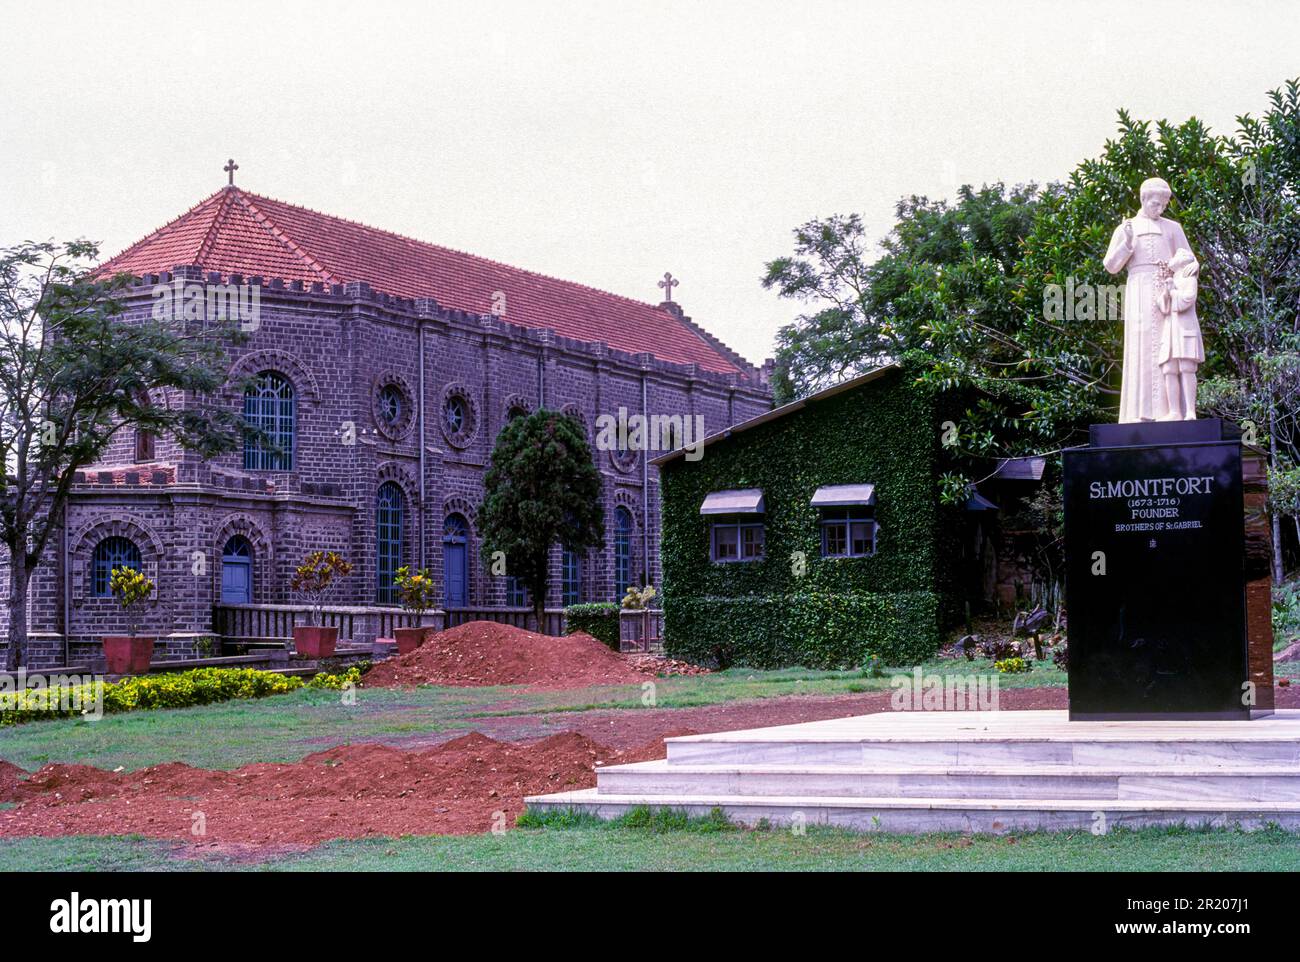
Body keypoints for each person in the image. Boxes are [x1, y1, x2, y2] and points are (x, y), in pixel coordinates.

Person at [1102, 177, 1200, 423]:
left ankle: (1172, 411)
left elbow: (1190, 259)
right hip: (1140, 291)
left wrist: (1190, 269)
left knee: (1168, 351)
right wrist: (1126, 244)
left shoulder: (1173, 227)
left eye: (1165, 204)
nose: (1161, 209)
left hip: (1168, 293)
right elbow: (1111, 266)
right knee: (1141, 348)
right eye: (1157, 203)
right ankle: (1139, 412)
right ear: (1143, 199)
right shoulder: (1127, 227)